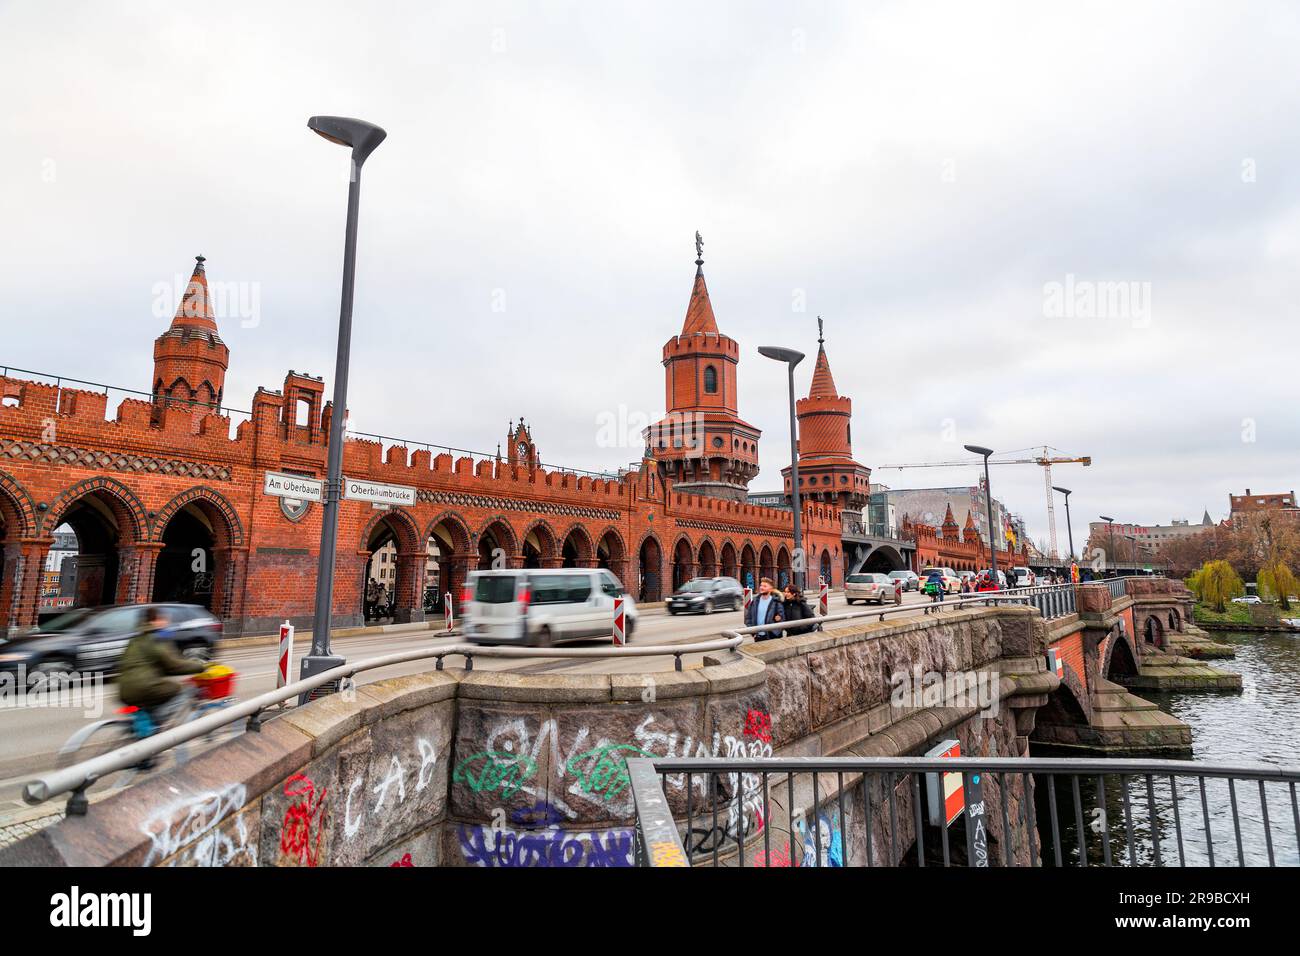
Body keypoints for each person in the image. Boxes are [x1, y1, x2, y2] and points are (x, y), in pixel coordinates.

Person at [118, 605, 208, 729]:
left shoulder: (137, 639)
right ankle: (159, 722)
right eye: (164, 619)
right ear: (155, 620)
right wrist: (201, 667)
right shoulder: (157, 637)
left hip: (124, 689)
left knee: (157, 697)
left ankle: (149, 731)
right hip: (144, 687)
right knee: (183, 690)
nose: (167, 622)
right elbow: (173, 665)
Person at [744, 576, 785, 640]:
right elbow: (748, 618)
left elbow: (782, 620)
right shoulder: (755, 601)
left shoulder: (776, 602)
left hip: (772, 638)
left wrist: (774, 633)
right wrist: (753, 633)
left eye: (765, 586)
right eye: (761, 585)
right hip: (758, 637)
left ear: (771, 589)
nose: (761, 587)